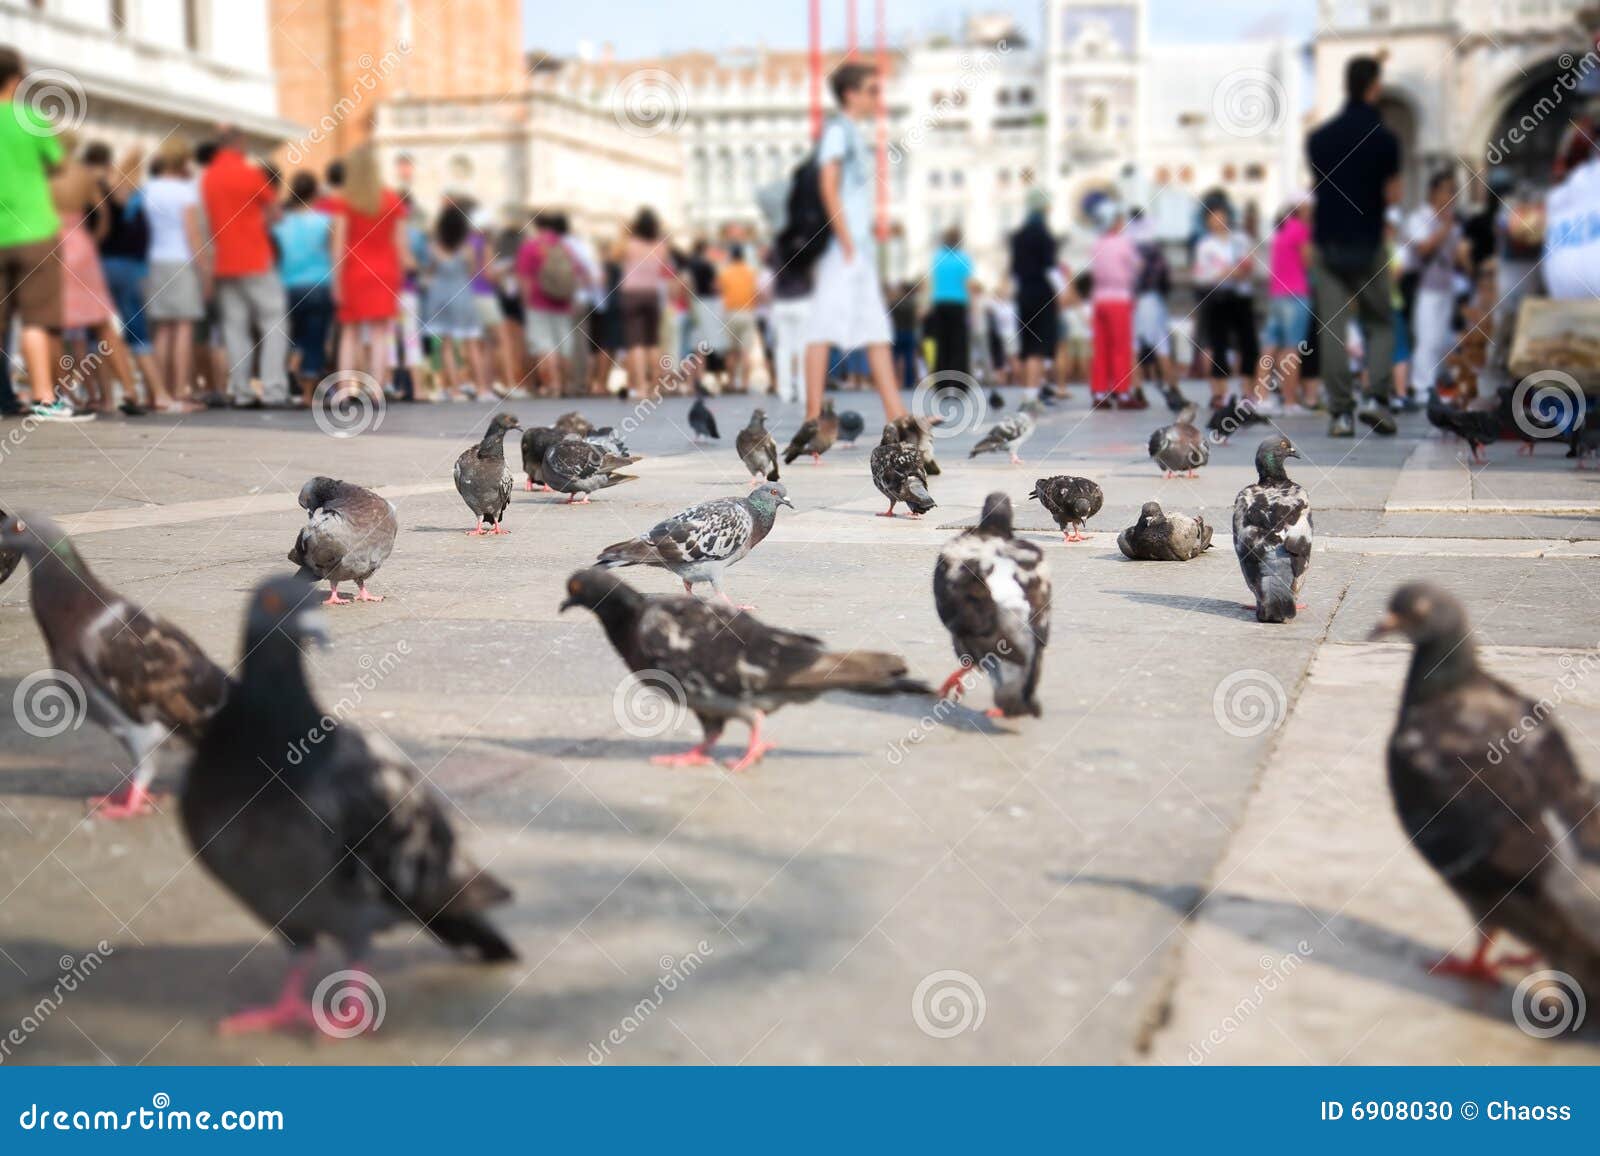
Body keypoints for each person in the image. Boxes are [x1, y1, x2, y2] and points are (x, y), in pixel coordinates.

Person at [802, 61, 907, 422]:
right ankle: (812, 416)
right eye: (872, 90)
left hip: (856, 248)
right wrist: (845, 239)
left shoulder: (851, 133)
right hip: (842, 249)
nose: (877, 98)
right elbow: (827, 184)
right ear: (851, 94)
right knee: (822, 327)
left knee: (876, 329)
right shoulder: (838, 132)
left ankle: (896, 414)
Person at [1307, 54, 1401, 436]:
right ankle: (1377, 400)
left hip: (1328, 243)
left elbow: (1320, 190)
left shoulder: (1319, 139)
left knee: (1332, 328)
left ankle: (1340, 414)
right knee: (1380, 321)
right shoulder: (1385, 139)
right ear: (1374, 86)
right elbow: (1393, 195)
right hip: (1368, 241)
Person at [0, 45, 79, 420]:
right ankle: (44, 399)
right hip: (34, 230)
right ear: (16, 79)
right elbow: (58, 164)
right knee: (36, 319)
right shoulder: (31, 118)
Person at [51, 133, 145, 416]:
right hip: (83, 245)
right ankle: (129, 390)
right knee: (102, 323)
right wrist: (93, 240)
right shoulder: (84, 176)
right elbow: (103, 216)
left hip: (54, 246)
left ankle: (65, 395)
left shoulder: (45, 177)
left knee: (51, 326)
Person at [198, 126, 289, 408]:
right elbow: (275, 212)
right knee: (274, 322)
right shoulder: (251, 174)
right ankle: (273, 389)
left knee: (234, 328)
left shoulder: (208, 178)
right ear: (239, 143)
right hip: (255, 258)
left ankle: (241, 391)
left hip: (224, 262)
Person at [329, 144, 407, 408]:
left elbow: (339, 244)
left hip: (354, 272)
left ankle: (346, 390)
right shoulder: (391, 199)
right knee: (378, 333)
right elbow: (400, 245)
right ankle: (376, 391)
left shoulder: (344, 200)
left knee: (349, 333)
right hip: (385, 272)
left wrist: (336, 281)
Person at [143, 139, 209, 410]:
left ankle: (159, 393)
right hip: (181, 261)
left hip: (154, 260)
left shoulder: (148, 189)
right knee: (183, 328)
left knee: (162, 329)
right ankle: (180, 391)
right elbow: (193, 233)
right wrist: (204, 269)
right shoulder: (185, 192)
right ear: (183, 163)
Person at [1403, 170, 1465, 402]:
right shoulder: (1420, 217)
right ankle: (1421, 387)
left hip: (1446, 287)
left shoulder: (1451, 222)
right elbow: (1423, 248)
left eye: (1454, 192)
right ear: (1433, 192)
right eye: (1447, 190)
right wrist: (1445, 228)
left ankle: (1434, 384)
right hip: (1424, 287)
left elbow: (1458, 256)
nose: (1451, 196)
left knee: (1440, 338)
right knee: (1426, 337)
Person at [273, 170, 334, 405]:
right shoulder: (325, 221)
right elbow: (334, 252)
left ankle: (292, 373)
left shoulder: (281, 222)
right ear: (315, 192)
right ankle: (309, 394)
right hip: (320, 284)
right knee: (315, 339)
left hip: (288, 286)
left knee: (295, 337)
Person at [423, 200, 489, 402]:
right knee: (471, 343)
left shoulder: (434, 247)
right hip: (463, 296)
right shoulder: (467, 247)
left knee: (446, 345)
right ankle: (482, 389)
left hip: (440, 297)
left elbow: (429, 272)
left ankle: (455, 390)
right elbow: (471, 271)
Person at [517, 211, 584, 397]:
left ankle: (552, 385)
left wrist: (526, 301)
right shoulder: (564, 247)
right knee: (564, 345)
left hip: (538, 302)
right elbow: (576, 275)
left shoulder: (530, 247)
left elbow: (525, 278)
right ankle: (565, 384)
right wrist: (572, 298)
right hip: (562, 303)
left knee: (544, 345)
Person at [1193, 203, 1254, 408]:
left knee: (1247, 343)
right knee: (1218, 343)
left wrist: (1234, 271)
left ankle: (1247, 391)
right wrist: (1227, 273)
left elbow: (1249, 264)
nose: (1218, 221)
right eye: (1214, 217)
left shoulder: (1240, 240)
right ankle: (1221, 392)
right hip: (1217, 296)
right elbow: (1202, 275)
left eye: (1222, 216)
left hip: (1240, 296)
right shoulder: (1205, 245)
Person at [1259, 196, 1313, 411]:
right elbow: (1308, 260)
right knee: (1292, 350)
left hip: (1276, 294)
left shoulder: (1282, 229)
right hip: (1296, 294)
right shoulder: (1301, 229)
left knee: (1270, 346)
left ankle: (1262, 398)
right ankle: (1290, 401)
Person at [617, 207, 674, 399]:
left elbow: (614, 255)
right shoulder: (661, 247)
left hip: (632, 294)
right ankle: (654, 387)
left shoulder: (629, 244)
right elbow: (666, 270)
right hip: (652, 294)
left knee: (636, 343)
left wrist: (624, 230)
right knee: (652, 343)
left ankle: (640, 387)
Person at [1088, 203, 1140, 408]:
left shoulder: (1097, 243)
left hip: (1099, 299)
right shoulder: (1124, 242)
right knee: (1120, 347)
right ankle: (1122, 392)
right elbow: (1136, 266)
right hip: (1119, 298)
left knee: (1100, 347)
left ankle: (1099, 392)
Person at [1010, 188, 1059, 392]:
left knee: (1027, 346)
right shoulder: (1044, 235)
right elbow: (1050, 267)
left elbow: (1014, 268)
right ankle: (1032, 393)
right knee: (1039, 348)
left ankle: (1029, 392)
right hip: (1042, 293)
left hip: (1023, 293)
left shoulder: (1018, 236)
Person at [766, 248, 812, 405]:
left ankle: (785, 391)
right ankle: (803, 392)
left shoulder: (777, 248)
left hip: (782, 303)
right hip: (802, 302)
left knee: (783, 349)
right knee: (803, 348)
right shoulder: (806, 247)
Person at [928, 226, 973, 381]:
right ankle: (959, 381)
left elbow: (932, 282)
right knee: (959, 344)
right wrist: (972, 306)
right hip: (958, 303)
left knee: (942, 343)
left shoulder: (937, 257)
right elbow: (968, 283)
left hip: (940, 303)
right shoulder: (963, 258)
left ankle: (941, 381)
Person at [717, 244, 760, 392]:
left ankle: (731, 382)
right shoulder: (751, 272)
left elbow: (719, 291)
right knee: (746, 351)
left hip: (730, 313)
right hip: (747, 313)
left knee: (731, 351)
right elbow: (757, 291)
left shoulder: (725, 272)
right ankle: (745, 383)